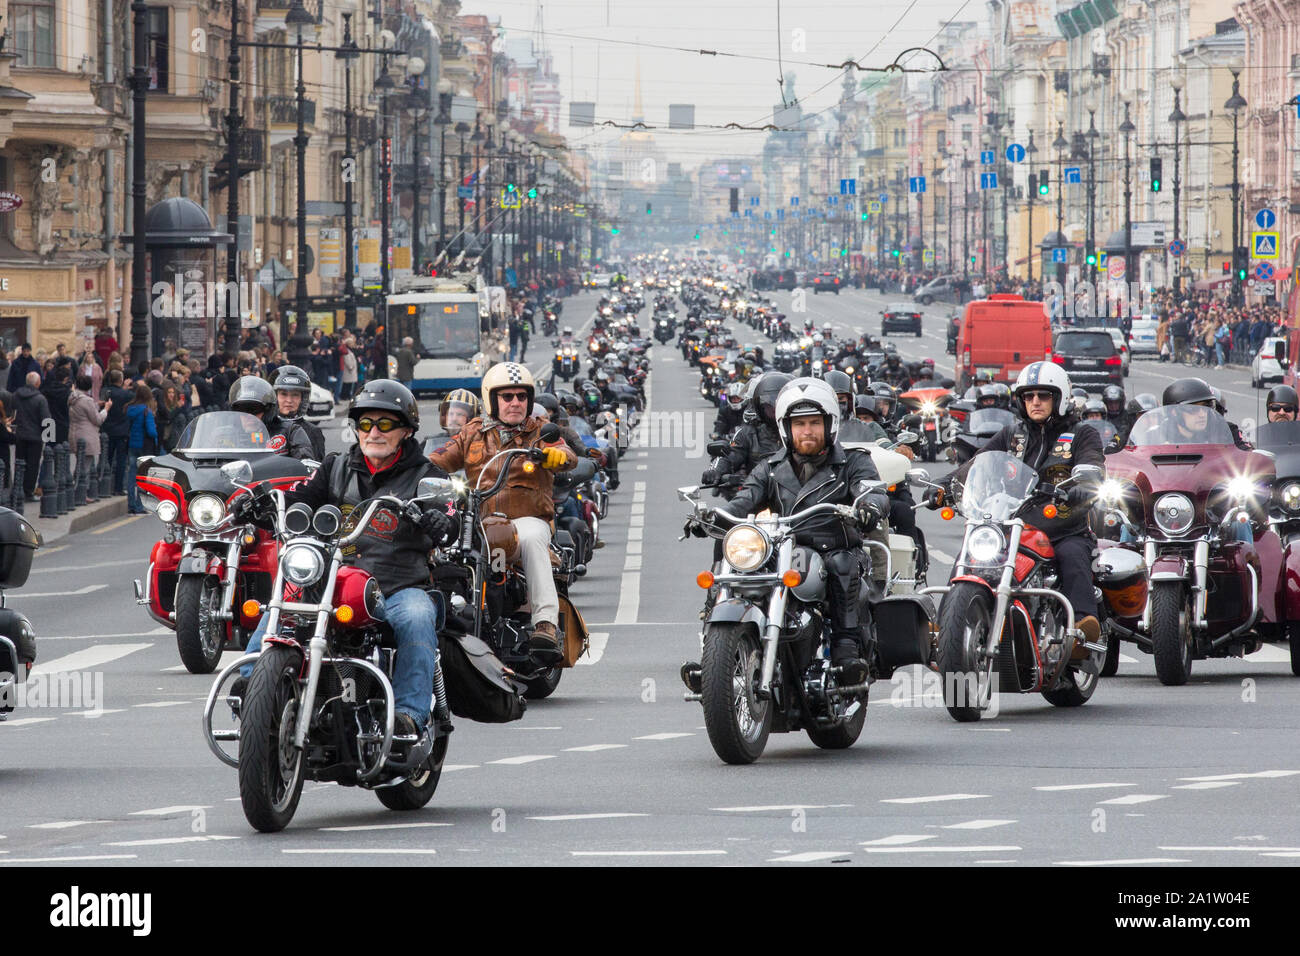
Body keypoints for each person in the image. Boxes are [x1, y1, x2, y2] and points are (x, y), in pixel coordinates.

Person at [233, 380, 454, 742]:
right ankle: (251, 684)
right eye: (366, 424)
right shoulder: (335, 467)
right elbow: (301, 500)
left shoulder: (426, 474)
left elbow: (449, 519)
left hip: (397, 586)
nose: (374, 433)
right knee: (284, 598)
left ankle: (408, 717)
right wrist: (261, 503)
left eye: (385, 424)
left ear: (406, 430)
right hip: (335, 580)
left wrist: (439, 520)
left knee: (417, 616)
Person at [718, 377, 890, 682]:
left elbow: (872, 489)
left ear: (829, 424)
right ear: (787, 428)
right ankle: (718, 656)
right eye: (799, 424)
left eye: (814, 423)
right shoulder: (770, 467)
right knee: (742, 564)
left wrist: (870, 505)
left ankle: (845, 646)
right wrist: (717, 516)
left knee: (842, 564)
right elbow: (746, 498)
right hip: (783, 548)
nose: (807, 431)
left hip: (834, 547)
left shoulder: (852, 462)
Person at [928, 361, 1104, 653]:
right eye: (1028, 396)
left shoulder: (1082, 435)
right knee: (974, 548)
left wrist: (1082, 488)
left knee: (1073, 554)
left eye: (1043, 396)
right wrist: (943, 486)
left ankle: (1082, 628)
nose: (1035, 402)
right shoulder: (1013, 435)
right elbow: (975, 465)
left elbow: (1093, 468)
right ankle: (947, 622)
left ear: (1059, 398)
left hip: (1063, 526)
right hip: (1012, 525)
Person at [427, 363, 577, 657]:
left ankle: (545, 623)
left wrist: (557, 455)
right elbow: (440, 459)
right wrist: (416, 467)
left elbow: (568, 455)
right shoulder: (472, 432)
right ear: (492, 400)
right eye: (507, 397)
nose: (515, 403)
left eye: (521, 397)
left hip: (527, 521)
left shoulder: (540, 430)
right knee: (436, 543)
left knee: (534, 538)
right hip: (478, 522)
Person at [228, 375, 318, 461]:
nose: (249, 416)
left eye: (255, 409)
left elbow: (305, 462)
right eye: (242, 410)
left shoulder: (290, 431)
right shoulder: (225, 435)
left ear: (268, 410)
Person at [271, 365, 325, 461]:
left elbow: (318, 470)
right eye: (283, 394)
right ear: (274, 396)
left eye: (295, 395)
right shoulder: (265, 427)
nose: (289, 400)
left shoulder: (313, 431)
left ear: (302, 399)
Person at [13, 371, 50, 501]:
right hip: (35, 437)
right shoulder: (40, 398)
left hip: (21, 435)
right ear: (37, 383)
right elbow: (46, 419)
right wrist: (49, 439)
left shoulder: (17, 394)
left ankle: (17, 489)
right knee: (32, 466)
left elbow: (13, 411)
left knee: (19, 463)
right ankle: (28, 492)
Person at [124, 383, 158, 514]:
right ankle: (139, 506)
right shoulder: (146, 411)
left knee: (132, 475)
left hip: (132, 444)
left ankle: (130, 505)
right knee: (142, 477)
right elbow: (151, 432)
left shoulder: (129, 409)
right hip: (144, 447)